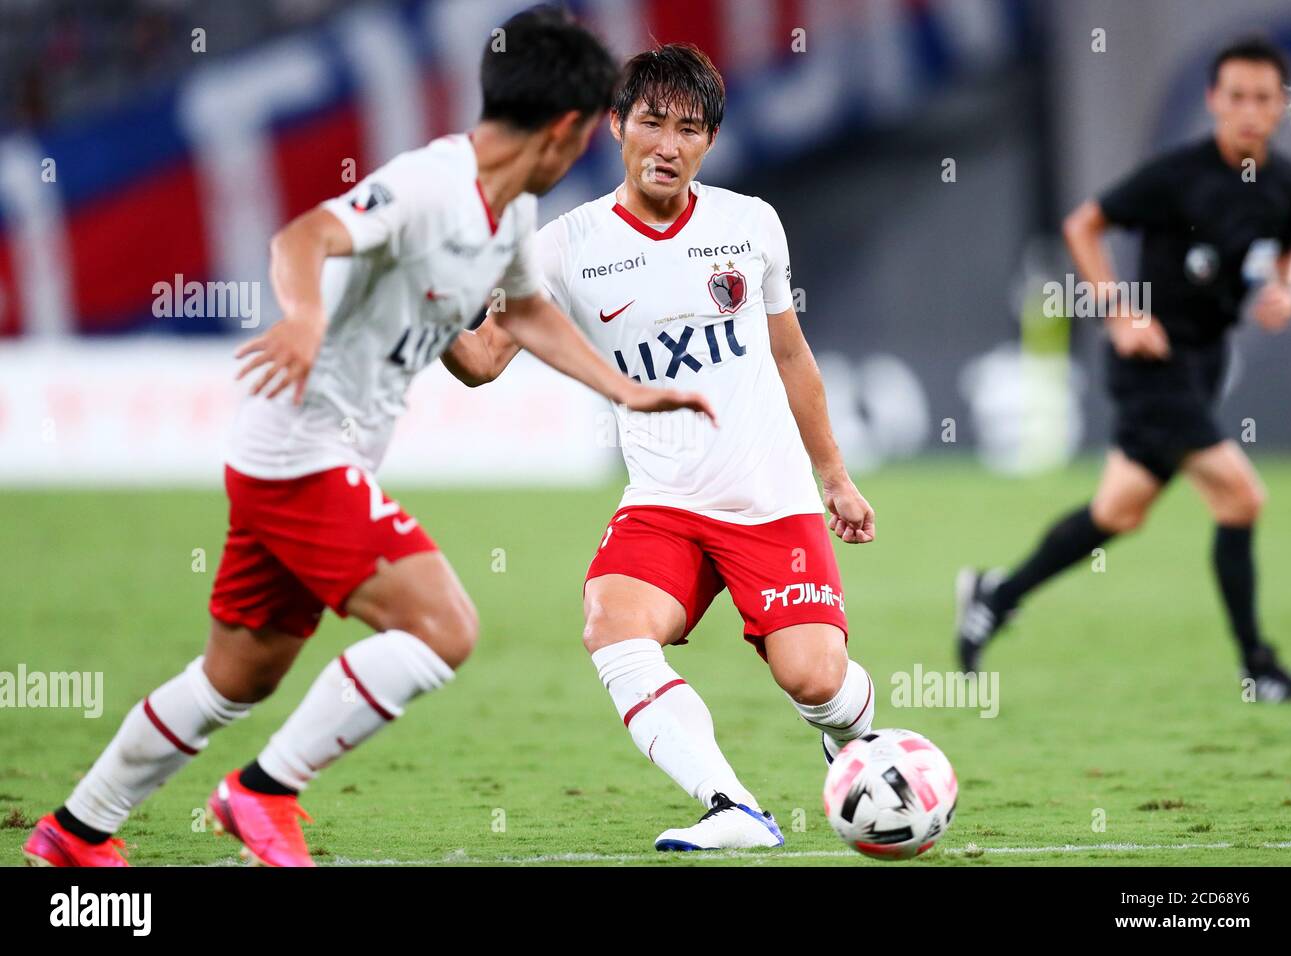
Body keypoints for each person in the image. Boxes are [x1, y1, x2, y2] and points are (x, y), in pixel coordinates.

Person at [23, 6, 716, 868]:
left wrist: (622, 390)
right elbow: (303, 237)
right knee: (443, 628)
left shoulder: (505, 215)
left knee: (237, 675)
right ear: (570, 129)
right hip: (302, 453)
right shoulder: (431, 185)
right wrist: (307, 318)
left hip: (311, 457)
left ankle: (73, 834)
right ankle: (264, 792)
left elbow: (523, 317)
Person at [444, 43, 877, 851]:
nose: (668, 146)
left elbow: (792, 357)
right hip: (664, 502)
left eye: (689, 129)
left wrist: (835, 477)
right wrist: (427, 309)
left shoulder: (750, 225)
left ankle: (852, 737)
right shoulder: (562, 247)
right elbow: (481, 362)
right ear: (616, 126)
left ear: (710, 140)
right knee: (610, 620)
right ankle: (733, 807)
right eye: (651, 123)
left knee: (815, 680)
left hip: (768, 501)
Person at [957, 36, 1291, 702]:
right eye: (1237, 97)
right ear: (1214, 101)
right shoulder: (1177, 175)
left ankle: (996, 594)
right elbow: (1084, 224)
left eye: (1264, 97)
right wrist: (1119, 311)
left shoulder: (1287, 183)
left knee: (1118, 512)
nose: (1250, 111)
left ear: (1281, 104)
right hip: (1151, 363)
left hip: (1205, 362)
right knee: (1242, 496)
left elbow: (1286, 253)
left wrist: (1285, 288)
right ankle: (1258, 667)